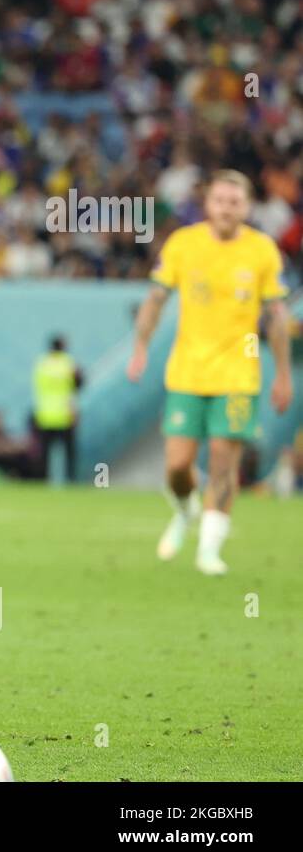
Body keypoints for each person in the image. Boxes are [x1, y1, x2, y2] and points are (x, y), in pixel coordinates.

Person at [127, 170, 293, 575]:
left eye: (234, 202)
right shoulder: (184, 244)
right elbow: (155, 298)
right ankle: (185, 511)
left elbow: (275, 315)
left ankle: (209, 550)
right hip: (187, 372)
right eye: (219, 200)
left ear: (247, 207)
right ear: (208, 204)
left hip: (238, 375)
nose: (226, 208)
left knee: (223, 460)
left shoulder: (262, 251)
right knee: (178, 466)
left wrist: (284, 374)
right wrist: (141, 348)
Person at [31, 335, 83, 482]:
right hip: (65, 413)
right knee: (69, 452)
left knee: (44, 452)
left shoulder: (42, 363)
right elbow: (78, 385)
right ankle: (70, 480)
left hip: (45, 413)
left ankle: (43, 480)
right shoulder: (68, 363)